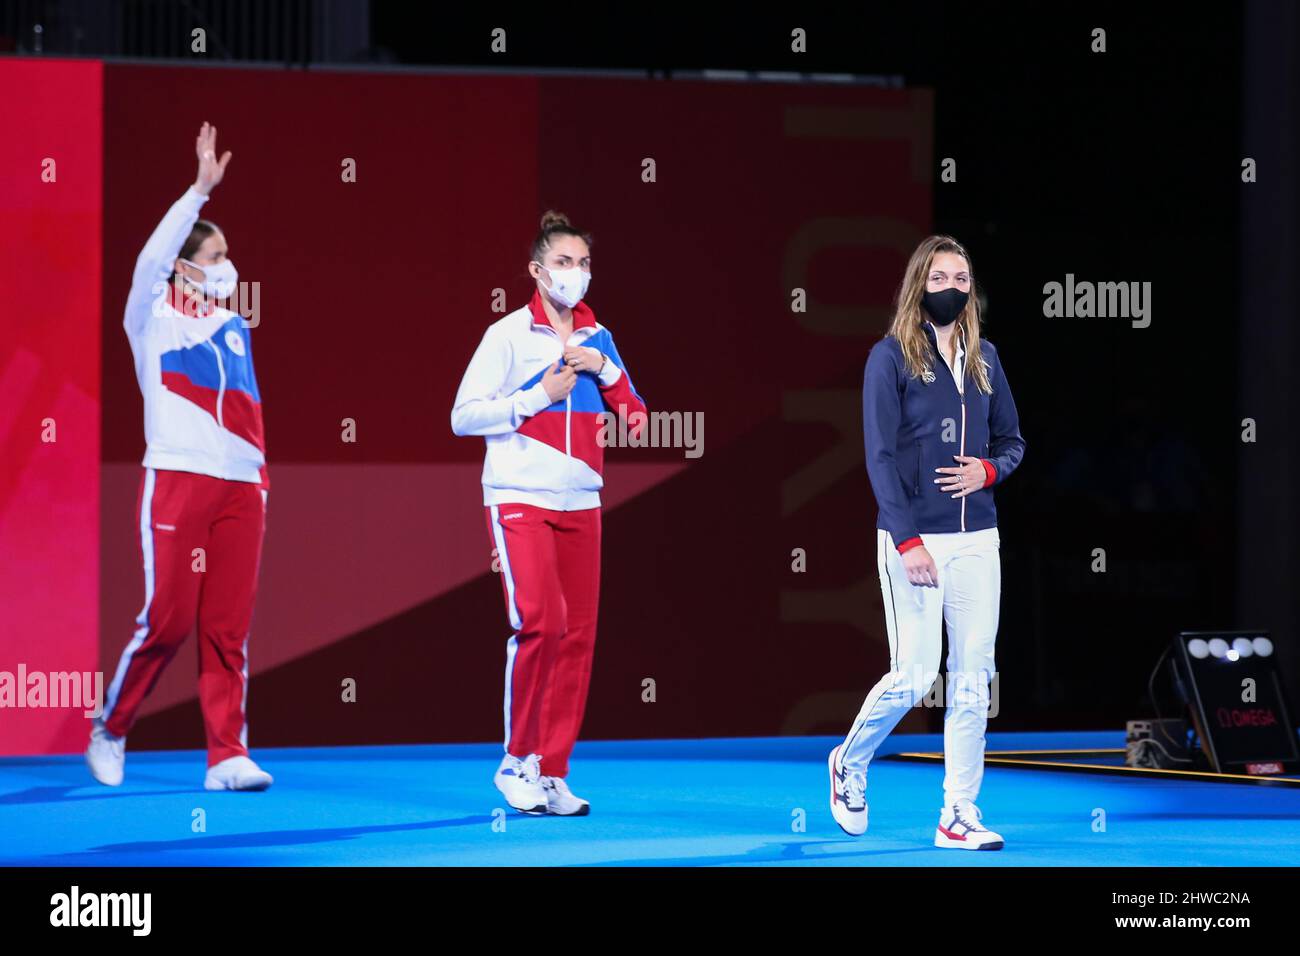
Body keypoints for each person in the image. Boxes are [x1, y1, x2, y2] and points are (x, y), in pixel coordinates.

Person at [87, 123, 274, 792]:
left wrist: (257, 479)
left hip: (241, 489)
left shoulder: (231, 324)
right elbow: (149, 262)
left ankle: (227, 755)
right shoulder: (151, 317)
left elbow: (246, 412)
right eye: (215, 255)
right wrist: (197, 193)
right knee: (166, 620)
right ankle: (112, 727)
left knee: (227, 630)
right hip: (177, 480)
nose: (228, 265)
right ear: (186, 265)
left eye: (228, 253)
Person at [829, 235, 1025, 849]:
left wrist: (987, 472)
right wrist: (907, 539)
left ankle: (957, 813)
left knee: (973, 679)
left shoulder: (986, 358)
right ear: (920, 284)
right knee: (914, 676)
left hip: (978, 540)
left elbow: (1013, 442)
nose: (952, 288)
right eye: (940, 277)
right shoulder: (889, 358)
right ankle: (848, 762)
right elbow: (880, 457)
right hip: (915, 540)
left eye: (962, 279)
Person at [451, 211, 645, 815]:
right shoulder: (506, 336)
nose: (575, 274)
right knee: (542, 622)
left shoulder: (598, 337)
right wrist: (539, 396)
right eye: (563, 263)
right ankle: (515, 762)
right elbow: (463, 416)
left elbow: (635, 417)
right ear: (537, 271)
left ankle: (552, 771)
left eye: (583, 264)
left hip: (581, 499)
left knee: (579, 636)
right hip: (519, 495)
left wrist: (606, 371)